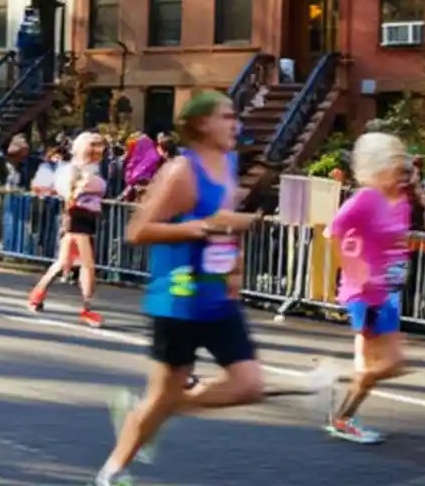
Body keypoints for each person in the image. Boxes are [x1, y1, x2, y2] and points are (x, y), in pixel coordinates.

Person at [96, 91, 263, 486]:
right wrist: (201, 227)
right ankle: (111, 473)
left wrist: (234, 269)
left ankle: (153, 410)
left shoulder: (228, 163)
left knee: (249, 385)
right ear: (203, 123)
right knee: (163, 395)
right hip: (178, 299)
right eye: (227, 116)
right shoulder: (180, 171)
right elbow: (137, 231)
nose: (235, 124)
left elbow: (222, 228)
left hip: (217, 296)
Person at [323, 132, 412, 444]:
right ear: (378, 168)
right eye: (397, 167)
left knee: (389, 364)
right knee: (389, 363)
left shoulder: (399, 201)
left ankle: (343, 401)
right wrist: (353, 269)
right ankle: (342, 415)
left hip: (385, 292)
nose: (403, 174)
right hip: (365, 293)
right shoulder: (366, 198)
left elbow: (393, 240)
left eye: (404, 168)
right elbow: (333, 231)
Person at [27, 131, 107, 327]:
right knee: (86, 264)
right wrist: (79, 187)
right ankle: (87, 308)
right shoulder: (73, 170)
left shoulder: (92, 169)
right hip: (77, 218)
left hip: (83, 218)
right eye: (93, 145)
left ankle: (36, 294)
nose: (98, 149)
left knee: (64, 262)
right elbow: (67, 193)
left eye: (99, 145)